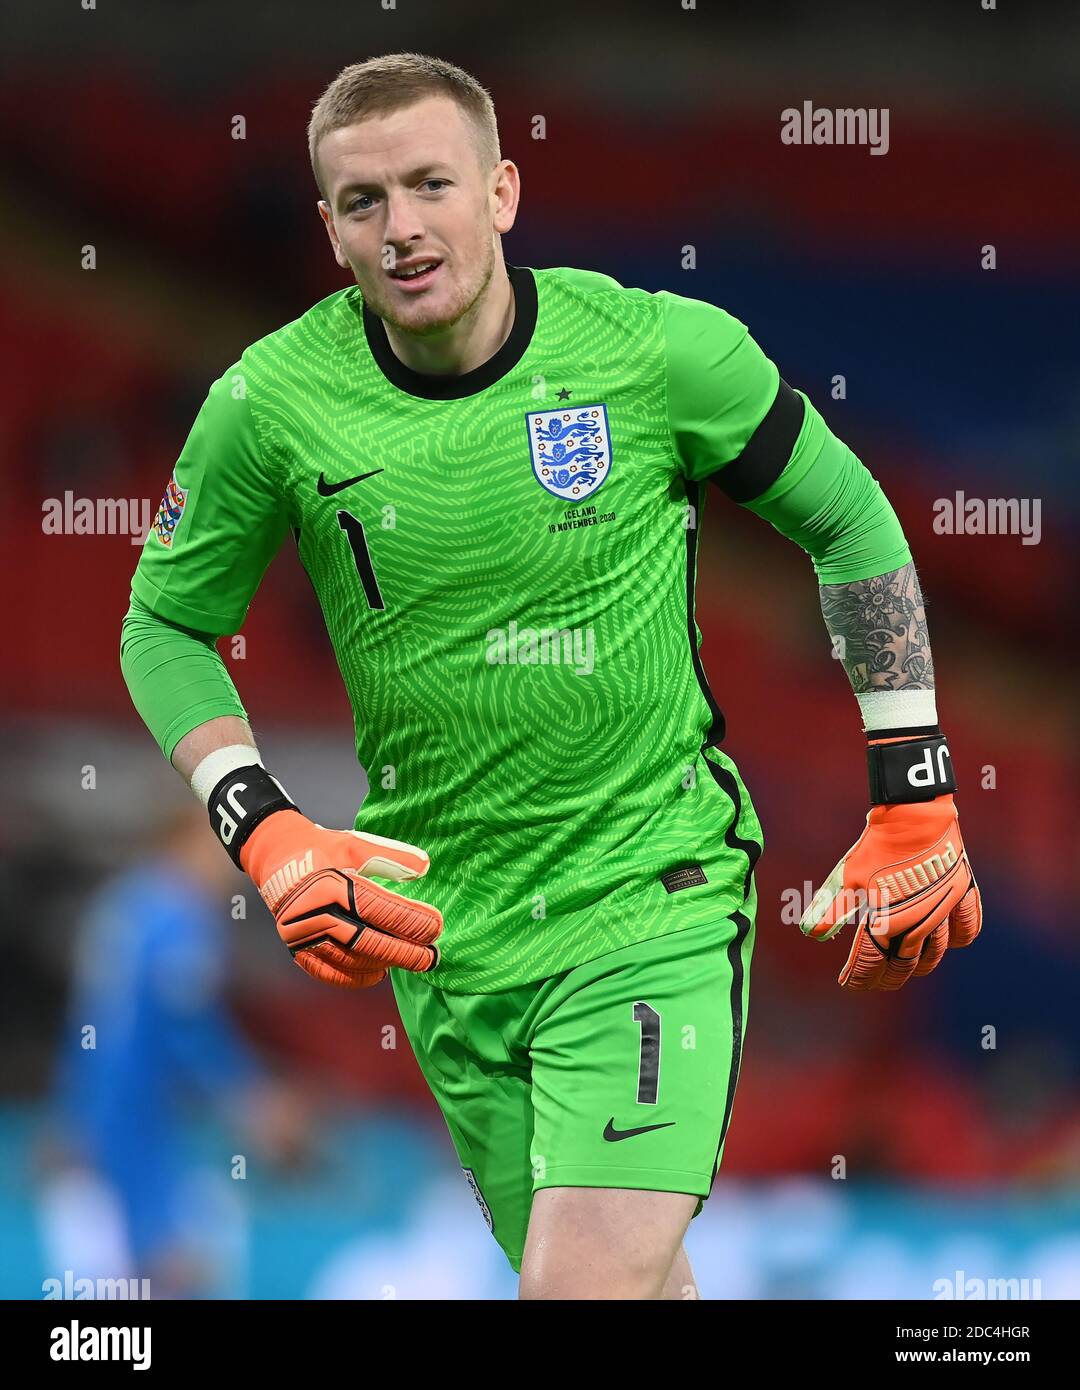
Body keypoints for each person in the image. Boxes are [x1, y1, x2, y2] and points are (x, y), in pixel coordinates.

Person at [120, 52, 981, 1300]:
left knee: (576, 1291)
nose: (403, 227)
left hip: (652, 898)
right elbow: (162, 627)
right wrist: (261, 829)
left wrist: (913, 787)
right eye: (365, 202)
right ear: (329, 228)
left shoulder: (656, 353)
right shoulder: (268, 405)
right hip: (445, 944)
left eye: (432, 185)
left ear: (503, 192)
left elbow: (852, 524)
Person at [41, 803, 308, 1298]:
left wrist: (71, 1112)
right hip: (136, 1131)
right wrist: (251, 1098)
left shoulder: (121, 904)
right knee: (174, 1271)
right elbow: (187, 1030)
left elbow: (89, 1029)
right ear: (187, 840)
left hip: (99, 1124)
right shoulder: (176, 915)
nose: (234, 874)